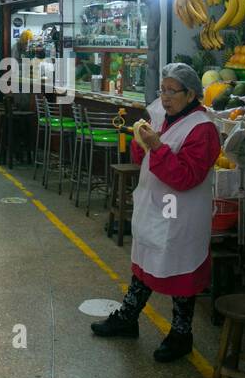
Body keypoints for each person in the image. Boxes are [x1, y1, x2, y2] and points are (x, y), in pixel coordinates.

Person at [91, 63, 220, 362]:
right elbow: (144, 157)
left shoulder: (203, 129)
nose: (164, 97)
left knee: (181, 271)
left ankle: (181, 334)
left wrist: (157, 147)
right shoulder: (162, 116)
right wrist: (142, 142)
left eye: (172, 91)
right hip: (153, 209)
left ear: (190, 94)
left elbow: (187, 177)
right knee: (145, 261)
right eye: (162, 90)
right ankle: (128, 317)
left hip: (182, 217)